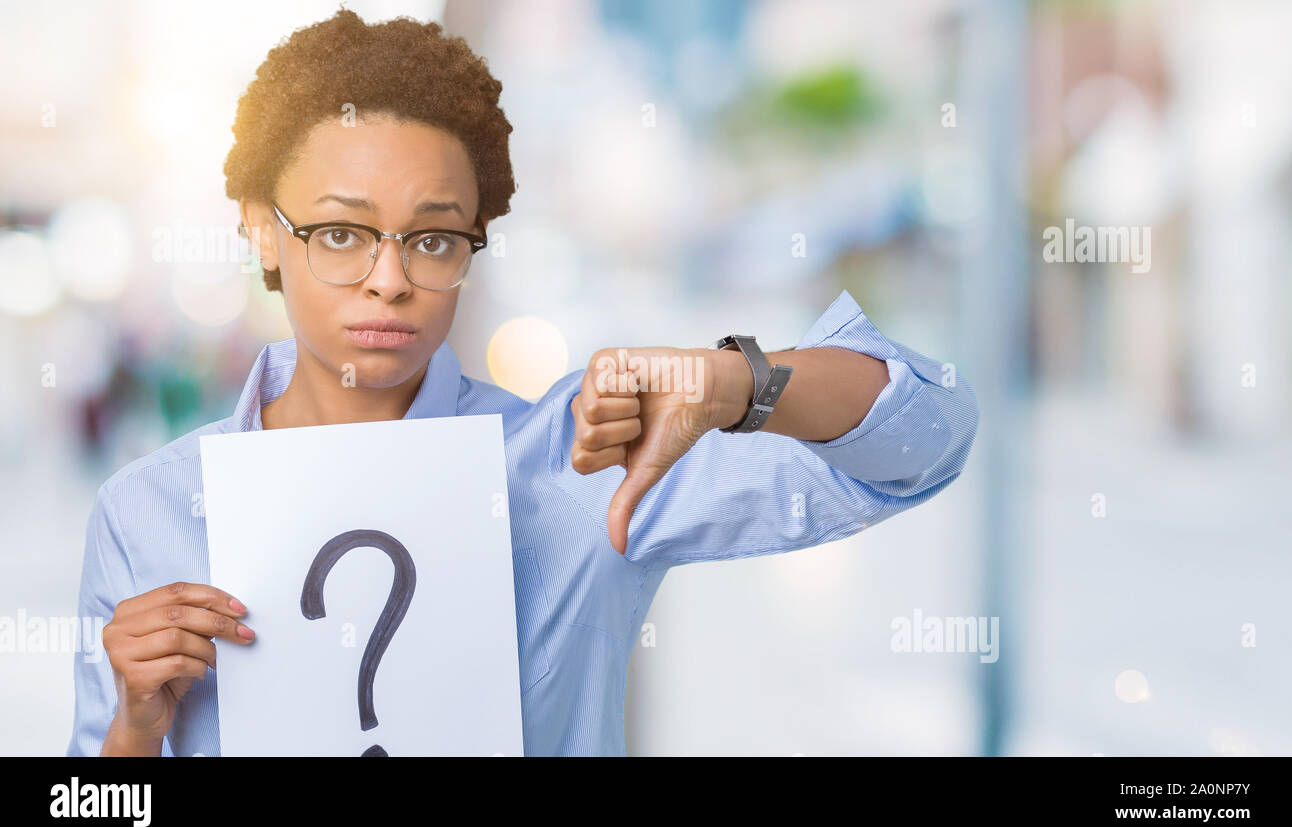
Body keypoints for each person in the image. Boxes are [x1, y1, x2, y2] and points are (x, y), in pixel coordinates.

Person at [67, 9, 978, 757]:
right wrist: (133, 733)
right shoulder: (148, 511)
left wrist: (739, 382)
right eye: (341, 234)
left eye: (432, 238)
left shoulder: (581, 458)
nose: (391, 278)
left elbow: (922, 446)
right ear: (262, 230)